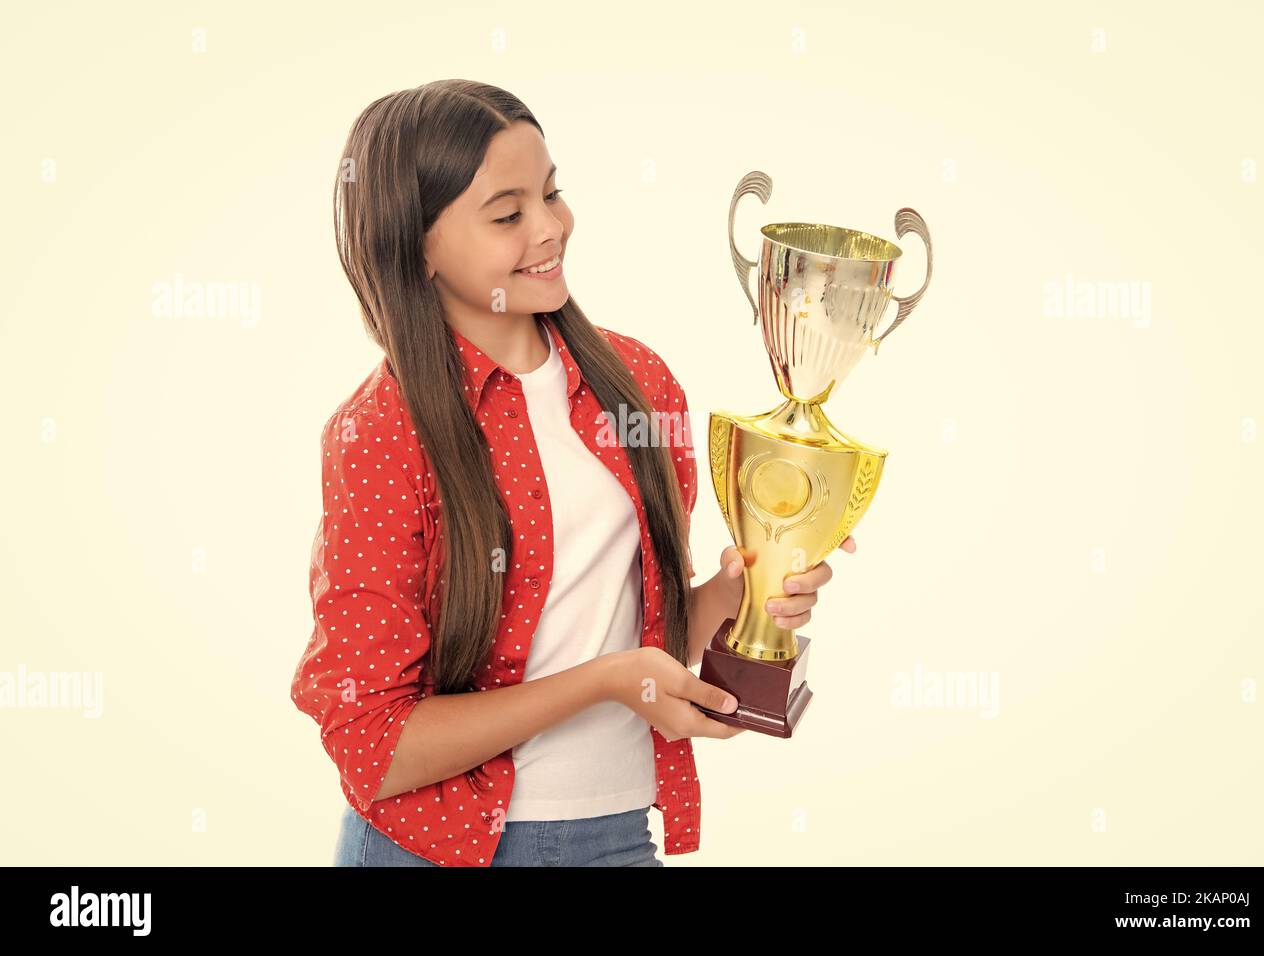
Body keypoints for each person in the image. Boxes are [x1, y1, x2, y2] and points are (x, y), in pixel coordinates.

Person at [290, 79, 856, 867]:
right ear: (417, 243)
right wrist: (605, 681)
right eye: (508, 213)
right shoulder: (381, 434)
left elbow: (640, 639)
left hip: (616, 837)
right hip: (436, 848)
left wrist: (746, 591)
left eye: (553, 193)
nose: (551, 227)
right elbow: (376, 748)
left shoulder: (639, 385)